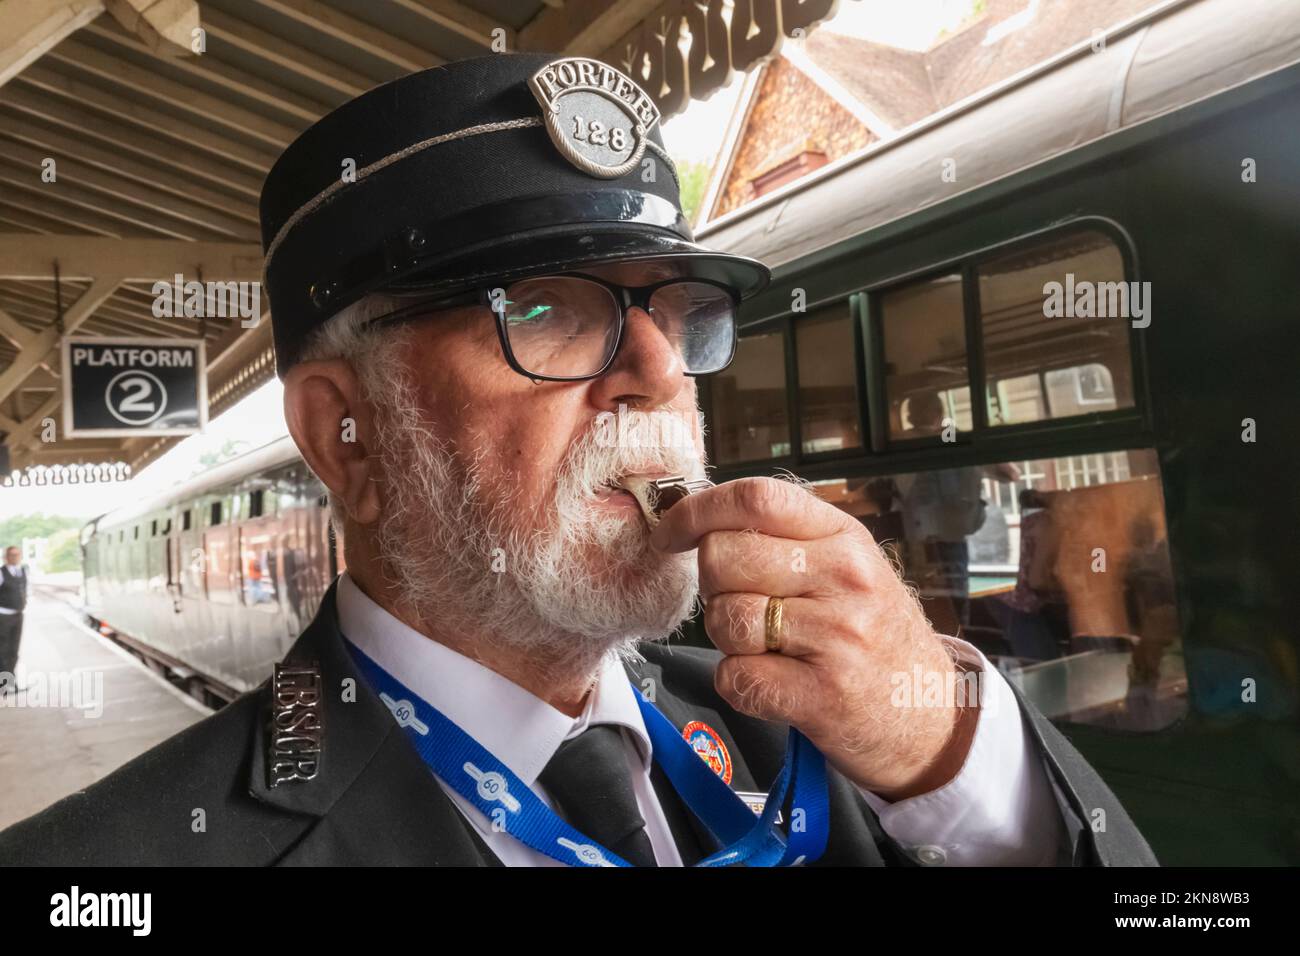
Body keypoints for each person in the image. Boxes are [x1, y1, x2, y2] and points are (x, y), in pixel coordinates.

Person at [0, 53, 1153, 866]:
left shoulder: (827, 734)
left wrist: (945, 744)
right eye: (547, 310)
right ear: (347, 432)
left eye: (680, 309)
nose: (657, 371)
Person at [0, 546, 28, 686]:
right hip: (3, 617)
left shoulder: (22, 571)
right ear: (6, 557)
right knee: (3, 650)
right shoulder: (1, 573)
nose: (15, 557)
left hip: (18, 616)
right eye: (12, 555)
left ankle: (10, 682)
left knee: (14, 650)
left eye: (17, 554)